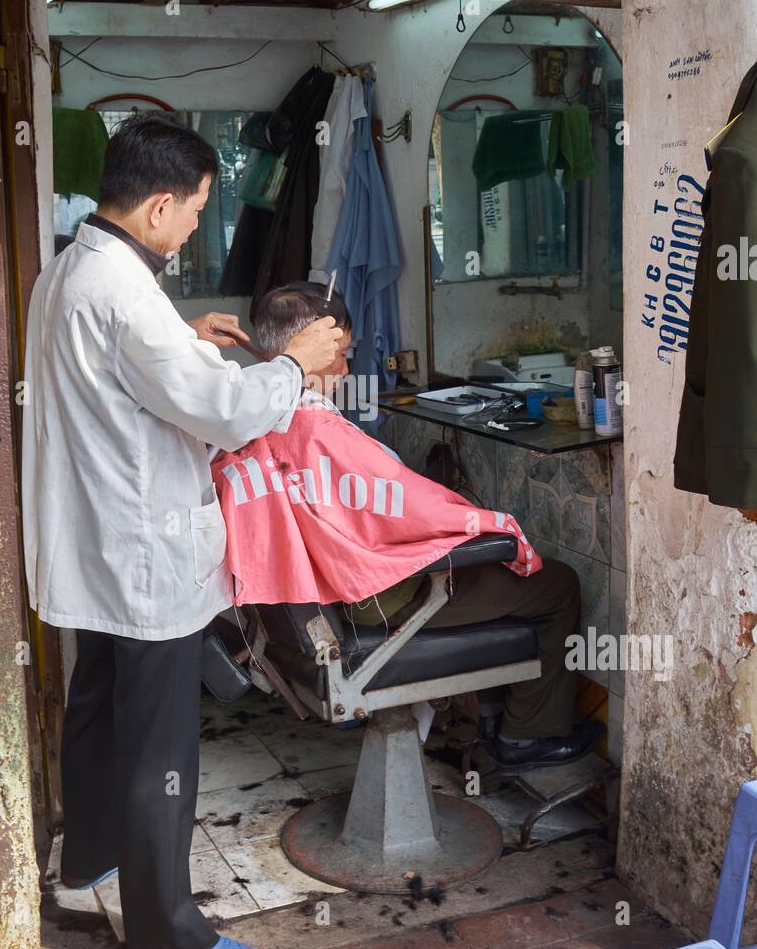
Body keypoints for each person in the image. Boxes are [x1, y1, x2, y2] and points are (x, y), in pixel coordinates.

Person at [22, 114, 342, 949]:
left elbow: (128, 380)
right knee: (160, 748)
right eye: (196, 210)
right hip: (141, 555)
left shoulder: (74, 270)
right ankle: (166, 937)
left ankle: (87, 866)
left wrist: (185, 344)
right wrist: (295, 365)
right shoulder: (125, 296)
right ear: (160, 204)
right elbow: (228, 414)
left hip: (91, 550)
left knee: (96, 711)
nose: (199, 225)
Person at [238, 280, 603, 772]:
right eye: (339, 354)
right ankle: (525, 737)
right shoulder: (318, 429)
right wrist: (492, 526)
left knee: (494, 573)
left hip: (327, 604)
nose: (347, 369)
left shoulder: (245, 418)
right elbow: (415, 512)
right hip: (384, 601)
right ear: (309, 348)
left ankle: (491, 719)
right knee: (555, 582)